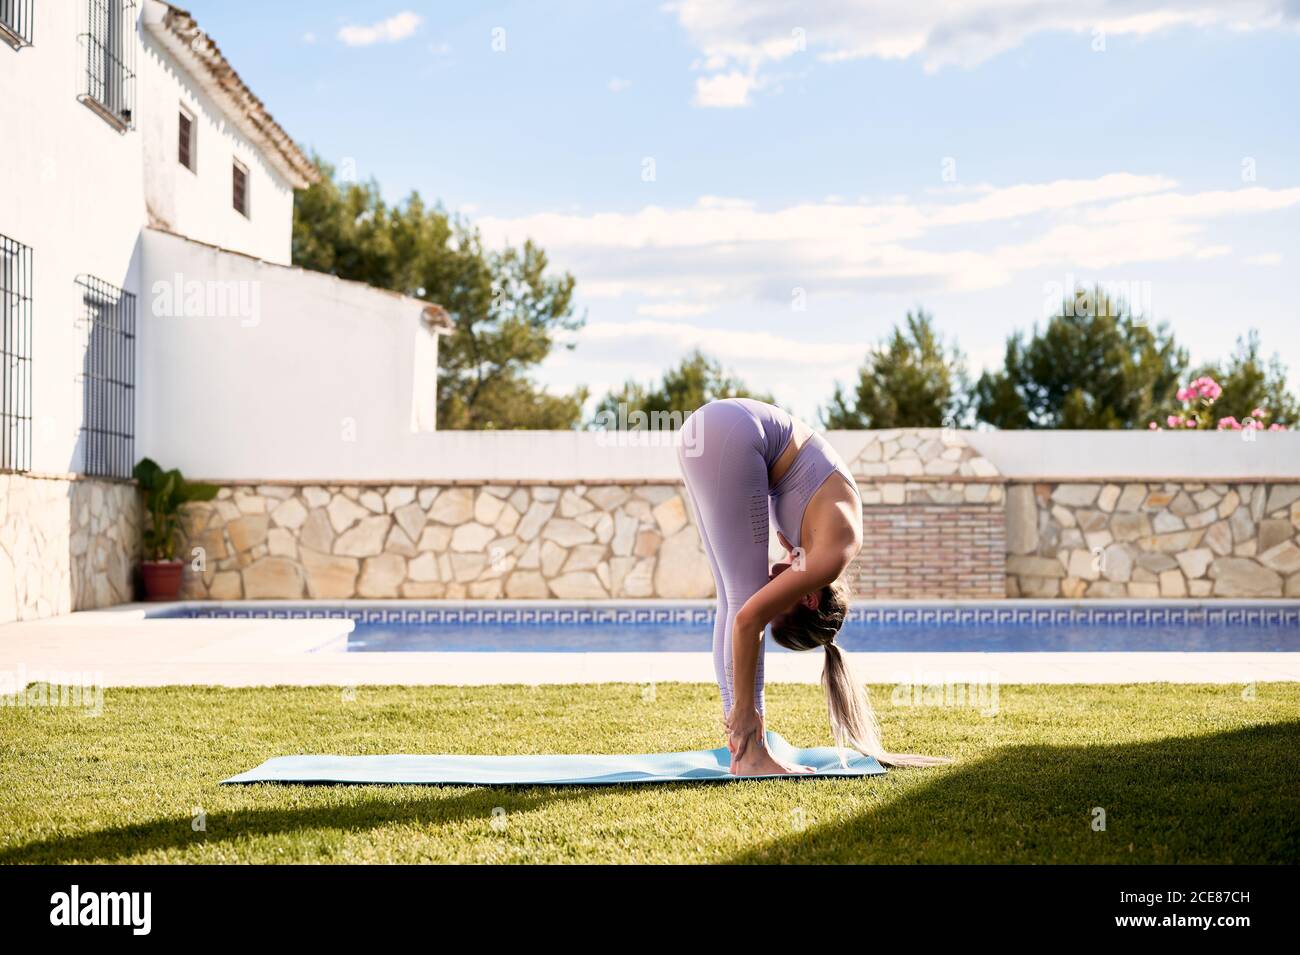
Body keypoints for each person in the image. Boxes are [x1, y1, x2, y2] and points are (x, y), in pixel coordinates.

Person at [676, 397, 949, 774]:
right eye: (779, 607)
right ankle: (752, 750)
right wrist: (743, 709)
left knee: (729, 596)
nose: (773, 595)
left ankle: (742, 751)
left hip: (707, 428)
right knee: (743, 600)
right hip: (732, 432)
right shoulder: (832, 554)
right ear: (806, 597)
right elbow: (748, 620)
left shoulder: (814, 549)